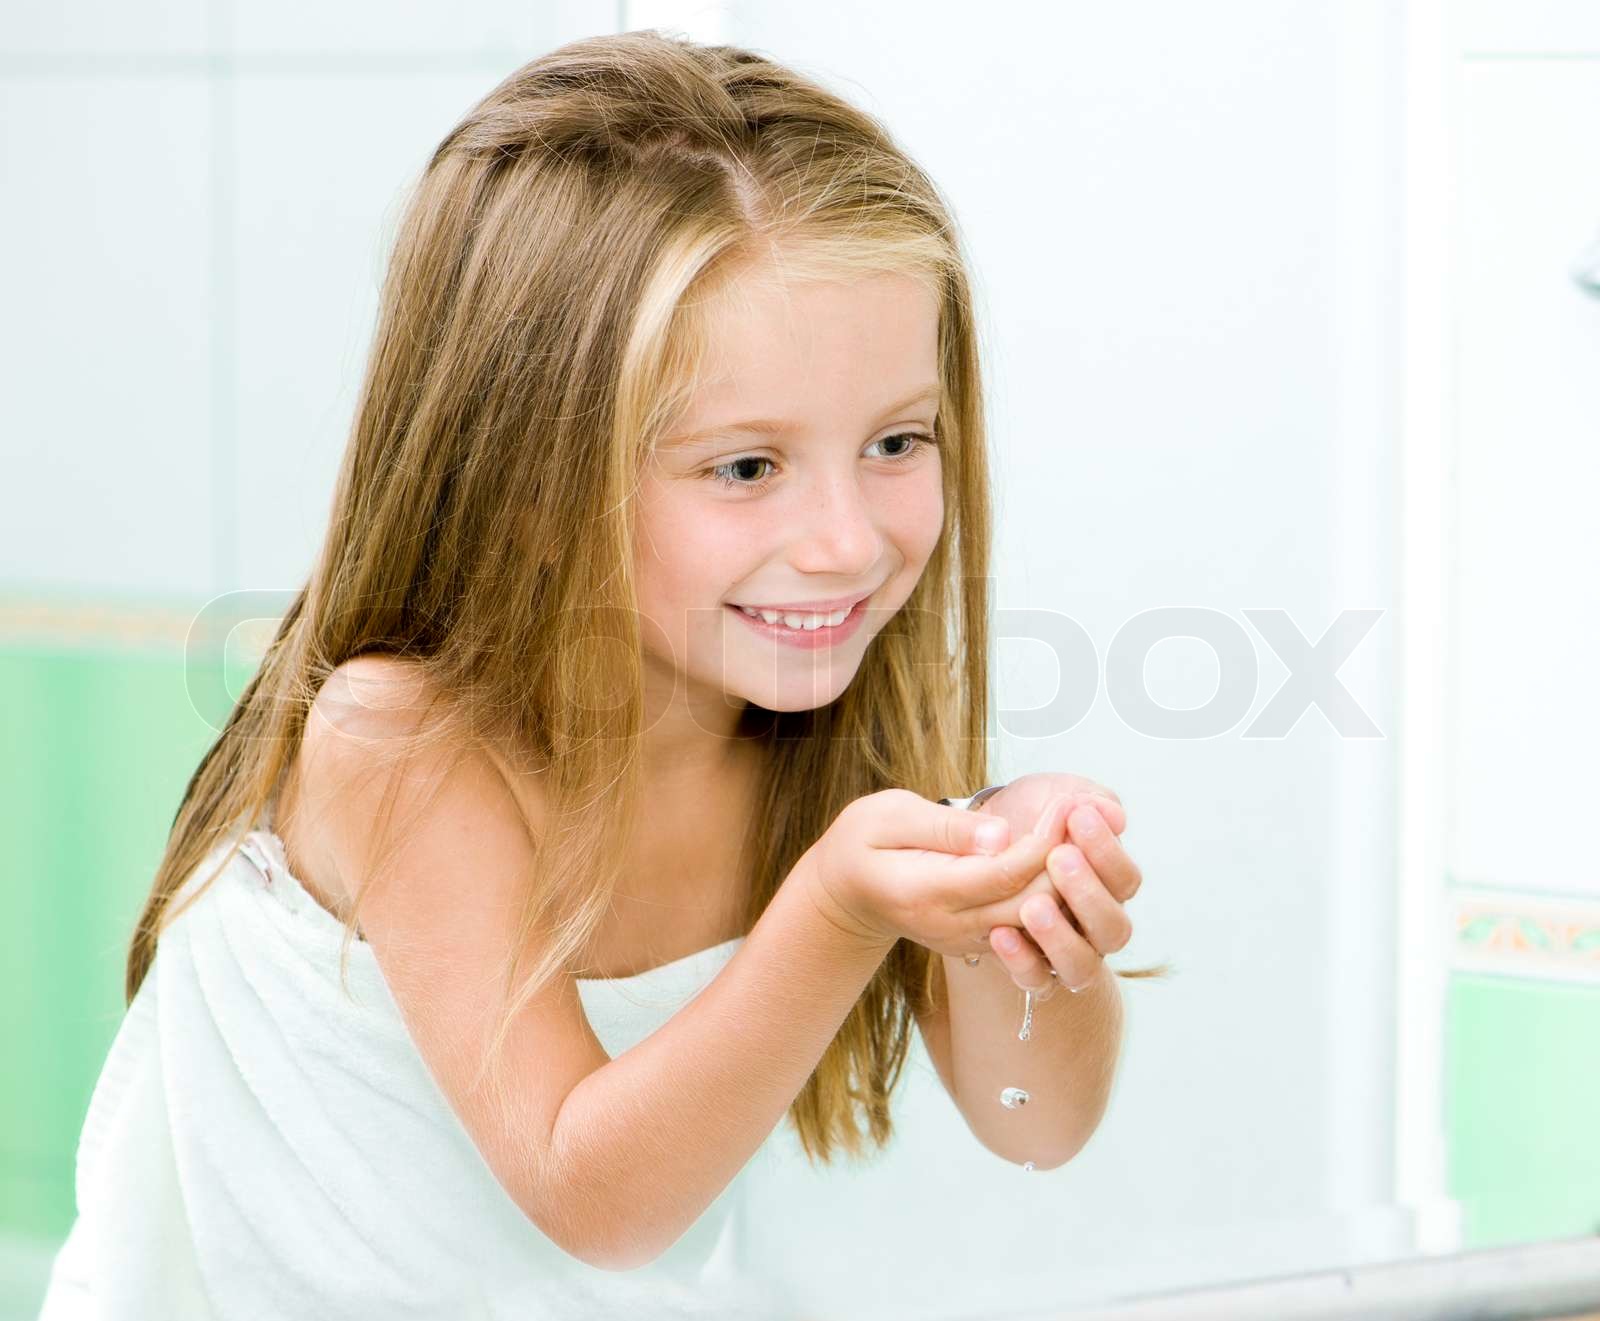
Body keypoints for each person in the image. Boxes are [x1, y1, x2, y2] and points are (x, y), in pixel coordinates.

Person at [36, 29, 1167, 1320]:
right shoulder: (403, 748)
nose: (850, 538)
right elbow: (598, 1195)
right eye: (746, 466)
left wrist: (1032, 937)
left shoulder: (811, 746)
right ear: (531, 475)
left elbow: (1034, 1125)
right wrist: (836, 910)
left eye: (898, 439)